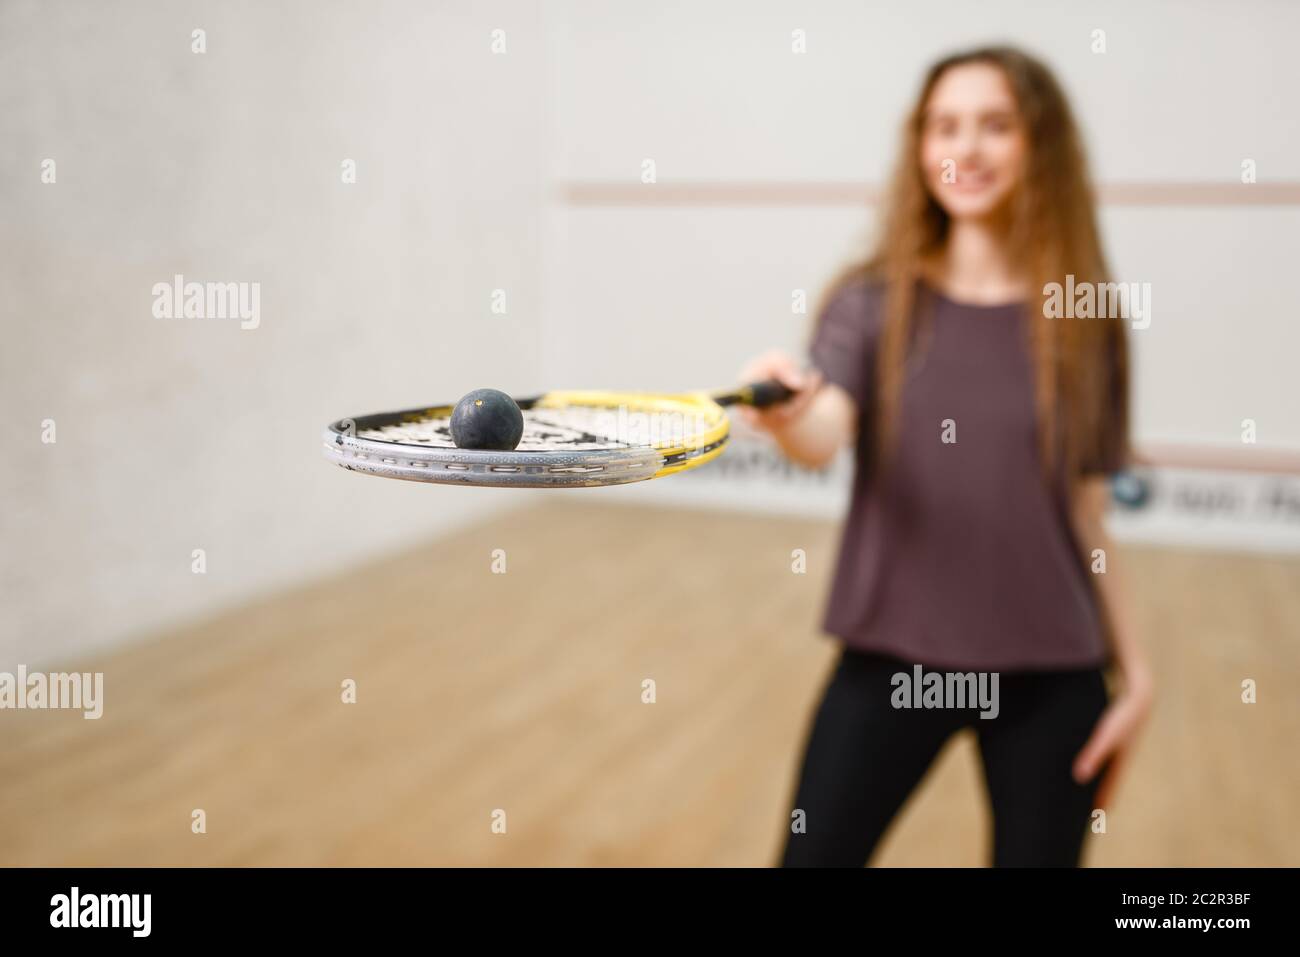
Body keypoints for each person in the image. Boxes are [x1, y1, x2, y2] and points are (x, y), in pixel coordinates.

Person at [738, 45, 1154, 867]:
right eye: (944, 127)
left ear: (1042, 146)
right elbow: (826, 431)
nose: (964, 149)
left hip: (1053, 674)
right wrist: (783, 409)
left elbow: (1086, 509)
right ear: (919, 145)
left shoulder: (1086, 315)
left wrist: (1135, 676)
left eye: (996, 126)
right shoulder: (870, 301)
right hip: (892, 662)